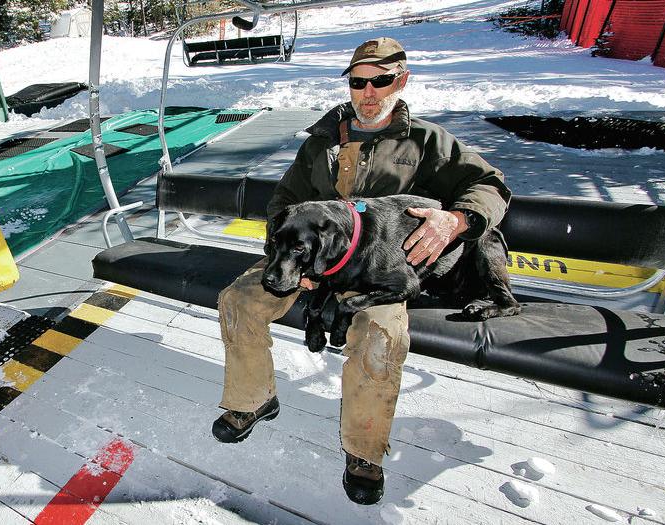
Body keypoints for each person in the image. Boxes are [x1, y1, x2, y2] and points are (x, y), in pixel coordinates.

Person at [213, 37, 511, 505]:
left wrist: (455, 220)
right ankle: (253, 399)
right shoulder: (322, 141)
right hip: (307, 263)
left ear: (402, 80)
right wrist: (289, 257)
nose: (368, 92)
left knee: (378, 334)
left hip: (379, 273)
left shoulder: (427, 142)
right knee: (239, 300)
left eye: (381, 81)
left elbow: (489, 185)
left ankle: (363, 451)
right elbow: (282, 205)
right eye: (358, 82)